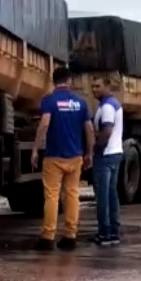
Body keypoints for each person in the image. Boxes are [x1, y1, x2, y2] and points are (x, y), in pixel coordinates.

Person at [30, 67, 95, 251]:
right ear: (69, 81)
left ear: (53, 81)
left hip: (54, 157)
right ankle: (70, 236)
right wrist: (89, 152)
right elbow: (89, 129)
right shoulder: (81, 103)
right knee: (73, 195)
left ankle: (48, 237)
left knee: (52, 196)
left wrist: (35, 148)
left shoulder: (49, 101)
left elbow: (44, 124)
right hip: (75, 156)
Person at [90, 77, 124, 246]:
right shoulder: (111, 104)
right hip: (115, 153)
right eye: (93, 86)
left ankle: (104, 233)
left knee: (103, 196)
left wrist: (95, 148)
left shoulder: (108, 106)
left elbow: (107, 130)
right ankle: (114, 232)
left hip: (106, 155)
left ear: (108, 86)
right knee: (111, 194)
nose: (94, 89)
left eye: (98, 86)